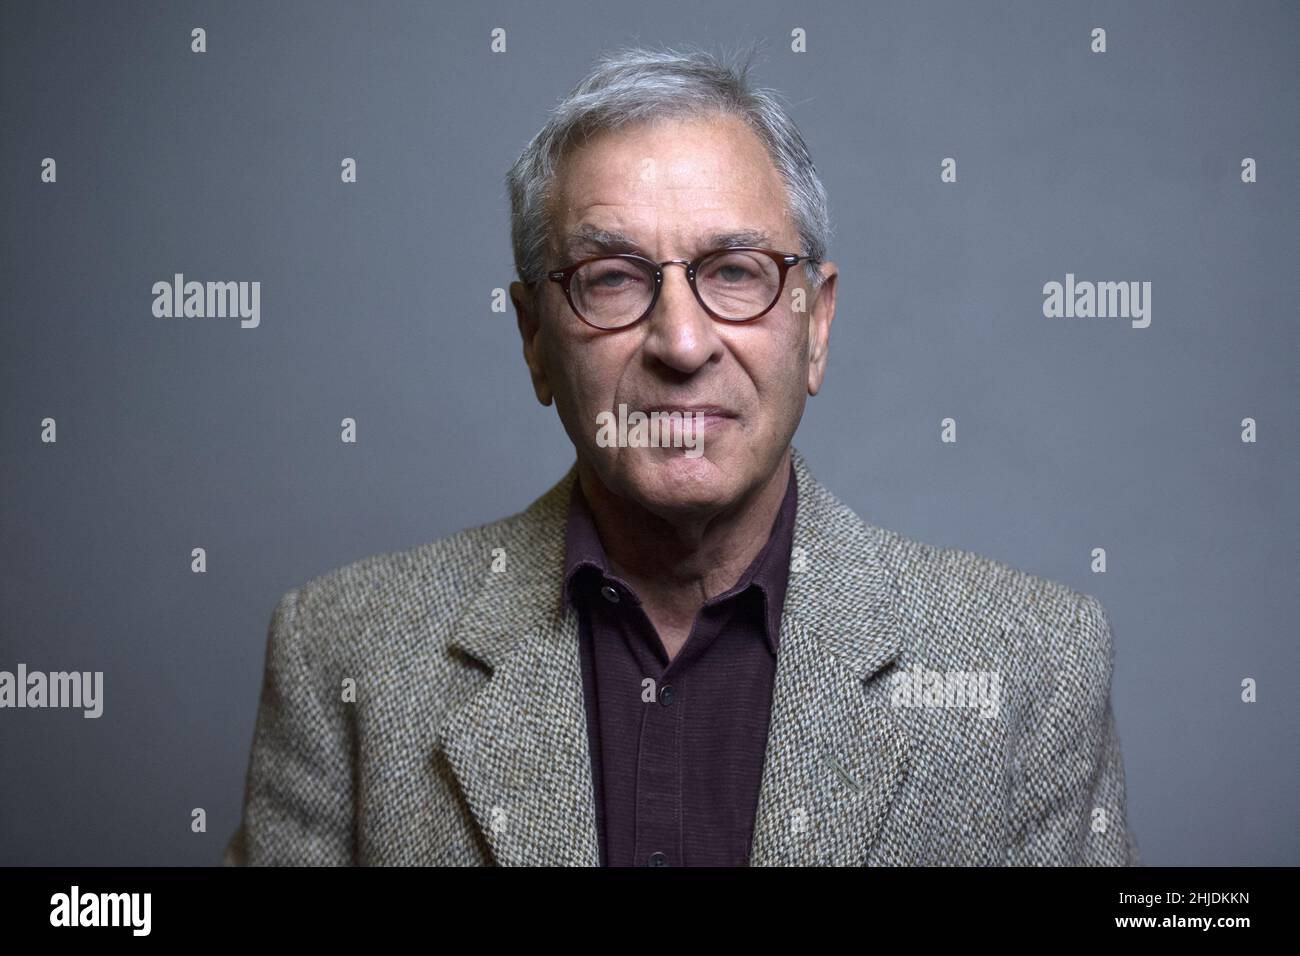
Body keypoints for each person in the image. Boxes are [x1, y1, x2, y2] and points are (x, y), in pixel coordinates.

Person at [225, 45, 1138, 866]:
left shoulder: (1031, 667)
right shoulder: (343, 655)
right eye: (612, 278)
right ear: (536, 342)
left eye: (735, 271)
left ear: (814, 326)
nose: (682, 341)